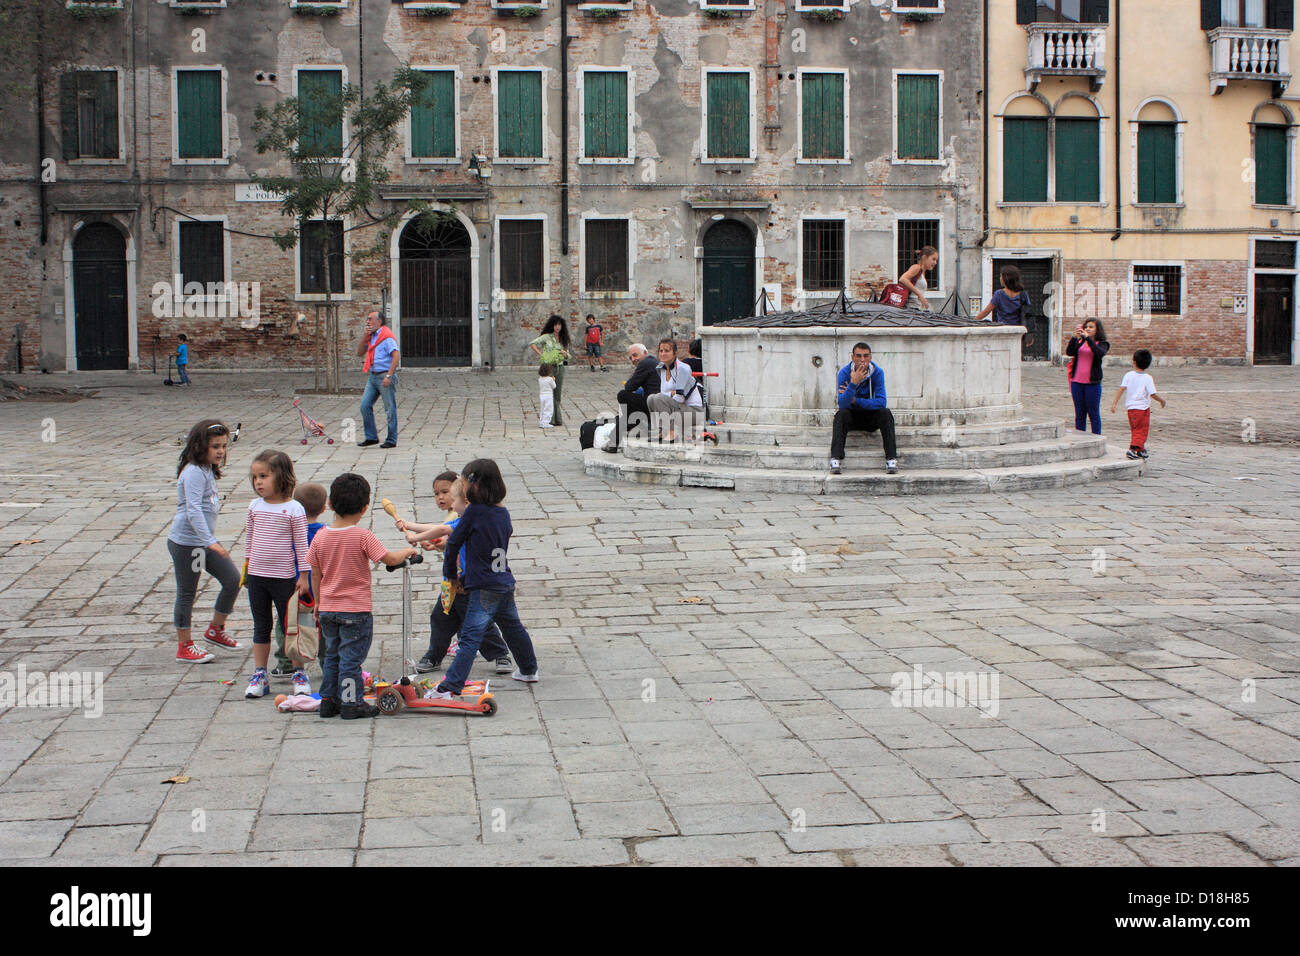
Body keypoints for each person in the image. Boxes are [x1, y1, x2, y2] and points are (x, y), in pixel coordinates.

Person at [306, 473, 418, 719]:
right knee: (350, 660)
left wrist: (318, 601)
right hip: (355, 612)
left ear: (331, 506)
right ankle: (350, 704)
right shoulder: (362, 536)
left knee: (332, 656)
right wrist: (407, 550)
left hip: (328, 610)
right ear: (365, 508)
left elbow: (315, 573)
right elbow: (388, 558)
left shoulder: (320, 537)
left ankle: (328, 700)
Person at [430, 459, 540, 698]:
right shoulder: (502, 512)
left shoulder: (475, 512)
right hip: (503, 582)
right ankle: (529, 669)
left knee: (469, 637)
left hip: (484, 587)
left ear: (474, 485)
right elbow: (492, 548)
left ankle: (450, 687)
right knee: (514, 629)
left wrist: (451, 576)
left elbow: (453, 545)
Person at [395, 476, 512, 675]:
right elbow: (440, 532)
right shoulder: (460, 519)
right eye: (437, 493)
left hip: (468, 584)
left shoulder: (470, 521)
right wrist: (411, 526)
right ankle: (434, 656)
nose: (446, 500)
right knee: (440, 619)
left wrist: (415, 535)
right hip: (451, 584)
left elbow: (440, 530)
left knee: (479, 623)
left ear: (466, 502)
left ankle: (500, 654)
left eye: (451, 496)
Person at [169, 420, 241, 664]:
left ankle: (215, 629)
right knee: (187, 592)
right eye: (215, 447)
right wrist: (210, 541)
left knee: (233, 580)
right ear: (201, 447)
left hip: (204, 542)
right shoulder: (193, 473)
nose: (220, 451)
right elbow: (193, 511)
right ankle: (184, 646)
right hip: (187, 544)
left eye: (223, 446)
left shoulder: (207, 469)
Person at [242, 449, 311, 700]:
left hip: (284, 578)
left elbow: (302, 544)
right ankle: (260, 673)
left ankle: (299, 672)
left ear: (281, 477)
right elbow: (250, 538)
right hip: (258, 577)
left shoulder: (294, 509)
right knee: (261, 626)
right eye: (255, 477)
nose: (258, 482)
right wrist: (247, 569)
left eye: (264, 476)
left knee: (290, 625)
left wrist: (303, 575)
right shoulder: (254, 507)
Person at [271, 482, 327, 681]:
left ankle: (286, 662)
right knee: (322, 627)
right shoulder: (325, 532)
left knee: (287, 625)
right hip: (320, 589)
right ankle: (326, 663)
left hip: (294, 587)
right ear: (324, 507)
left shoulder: (291, 530)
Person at [829, 341, 898, 475]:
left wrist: (855, 399)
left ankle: (891, 458)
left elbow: (881, 402)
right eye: (858, 356)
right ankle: (835, 458)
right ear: (852, 357)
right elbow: (842, 404)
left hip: (870, 416)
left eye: (866, 356)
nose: (862, 360)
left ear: (870, 357)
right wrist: (853, 383)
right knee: (840, 415)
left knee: (886, 413)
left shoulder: (877, 373)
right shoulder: (844, 373)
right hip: (852, 416)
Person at [355, 309, 400, 449]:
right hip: (373, 376)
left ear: (379, 321)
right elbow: (359, 353)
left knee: (389, 408)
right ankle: (371, 437)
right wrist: (364, 336)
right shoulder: (371, 337)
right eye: (367, 319)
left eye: (370, 319)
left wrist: (389, 375)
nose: (367, 321)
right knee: (364, 405)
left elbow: (396, 356)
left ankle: (391, 439)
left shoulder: (387, 337)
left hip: (384, 375)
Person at [1110, 348, 1166, 460]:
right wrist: (1161, 400)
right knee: (1141, 430)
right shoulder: (1147, 378)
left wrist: (1114, 403)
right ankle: (1133, 449)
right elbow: (1152, 394)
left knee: (1135, 429)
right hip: (1142, 409)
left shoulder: (1128, 375)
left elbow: (1121, 389)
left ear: (1134, 362)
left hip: (1131, 409)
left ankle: (1140, 449)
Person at [647, 337, 704, 442]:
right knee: (651, 398)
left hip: (694, 412)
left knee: (659, 398)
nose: (663, 353)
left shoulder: (683, 368)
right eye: (661, 351)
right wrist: (671, 394)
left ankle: (672, 432)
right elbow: (665, 394)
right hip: (677, 408)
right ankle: (661, 431)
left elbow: (680, 398)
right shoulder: (661, 368)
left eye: (667, 351)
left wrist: (671, 394)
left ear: (674, 353)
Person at [1066, 318, 1110, 434]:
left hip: (1092, 384)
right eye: (1086, 327)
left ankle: (1096, 437)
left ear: (1097, 330)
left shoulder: (1102, 344)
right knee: (1079, 413)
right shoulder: (1080, 342)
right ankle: (1080, 437)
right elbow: (1069, 352)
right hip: (1077, 382)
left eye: (1091, 327)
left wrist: (1088, 339)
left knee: (1093, 413)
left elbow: (1099, 353)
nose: (1087, 329)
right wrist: (1074, 338)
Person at [975, 264, 1034, 349]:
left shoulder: (999, 294)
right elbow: (1029, 315)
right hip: (1018, 332)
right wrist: (1030, 335)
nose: (1000, 278)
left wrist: (973, 321)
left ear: (1005, 278)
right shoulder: (1023, 294)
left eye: (1001, 276)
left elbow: (986, 311)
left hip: (1003, 331)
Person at [529, 315, 571, 426]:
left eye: (559, 325)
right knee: (549, 393)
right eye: (555, 325)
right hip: (548, 367)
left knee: (557, 394)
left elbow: (568, 355)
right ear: (552, 325)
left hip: (560, 367)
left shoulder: (564, 338)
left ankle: (557, 419)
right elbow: (532, 343)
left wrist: (565, 354)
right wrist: (541, 354)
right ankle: (549, 420)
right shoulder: (546, 337)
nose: (557, 327)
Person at [618, 343, 660, 439]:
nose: (633, 359)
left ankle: (641, 424)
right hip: (656, 401)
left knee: (623, 395)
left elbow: (629, 387)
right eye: (630, 358)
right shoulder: (653, 361)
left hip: (652, 405)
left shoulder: (645, 364)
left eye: (635, 355)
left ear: (645, 353)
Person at [899, 245, 939, 311]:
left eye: (936, 260)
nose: (935, 263)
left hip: (916, 307)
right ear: (925, 257)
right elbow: (903, 279)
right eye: (933, 259)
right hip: (911, 307)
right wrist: (919, 295)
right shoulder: (916, 267)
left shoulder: (922, 272)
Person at [538, 363, 557, 430]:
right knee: (548, 409)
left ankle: (541, 422)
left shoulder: (540, 379)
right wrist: (554, 380)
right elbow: (554, 386)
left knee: (543, 409)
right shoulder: (550, 379)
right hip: (548, 396)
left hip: (541, 395)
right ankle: (546, 423)